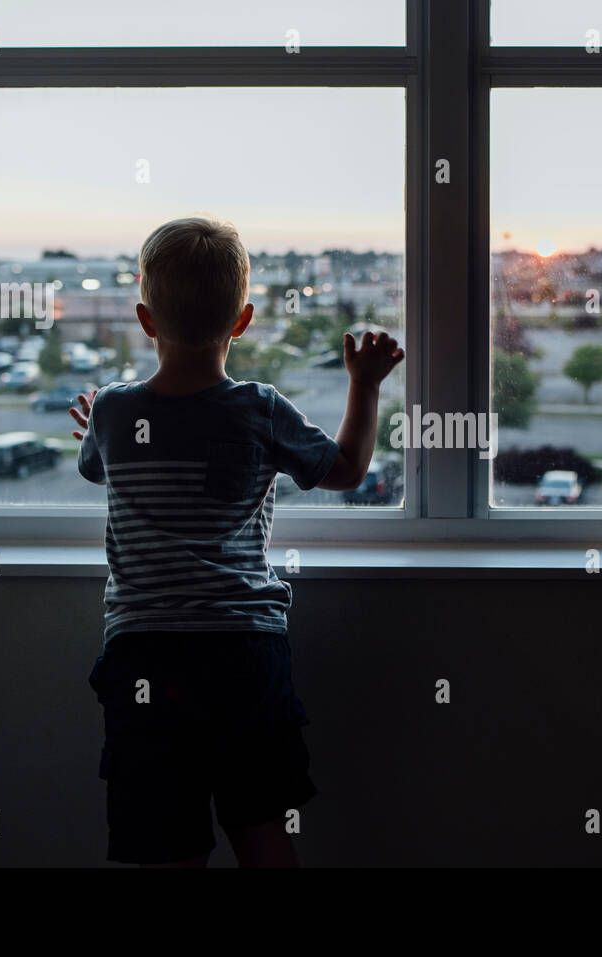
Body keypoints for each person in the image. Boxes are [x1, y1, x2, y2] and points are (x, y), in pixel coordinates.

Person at [72, 217, 403, 866]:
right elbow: (345, 470)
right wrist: (363, 386)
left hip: (146, 654)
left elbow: (94, 464)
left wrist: (99, 421)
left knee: (164, 844)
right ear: (244, 319)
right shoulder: (260, 408)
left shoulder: (114, 412)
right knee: (261, 829)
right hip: (242, 651)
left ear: (145, 319)